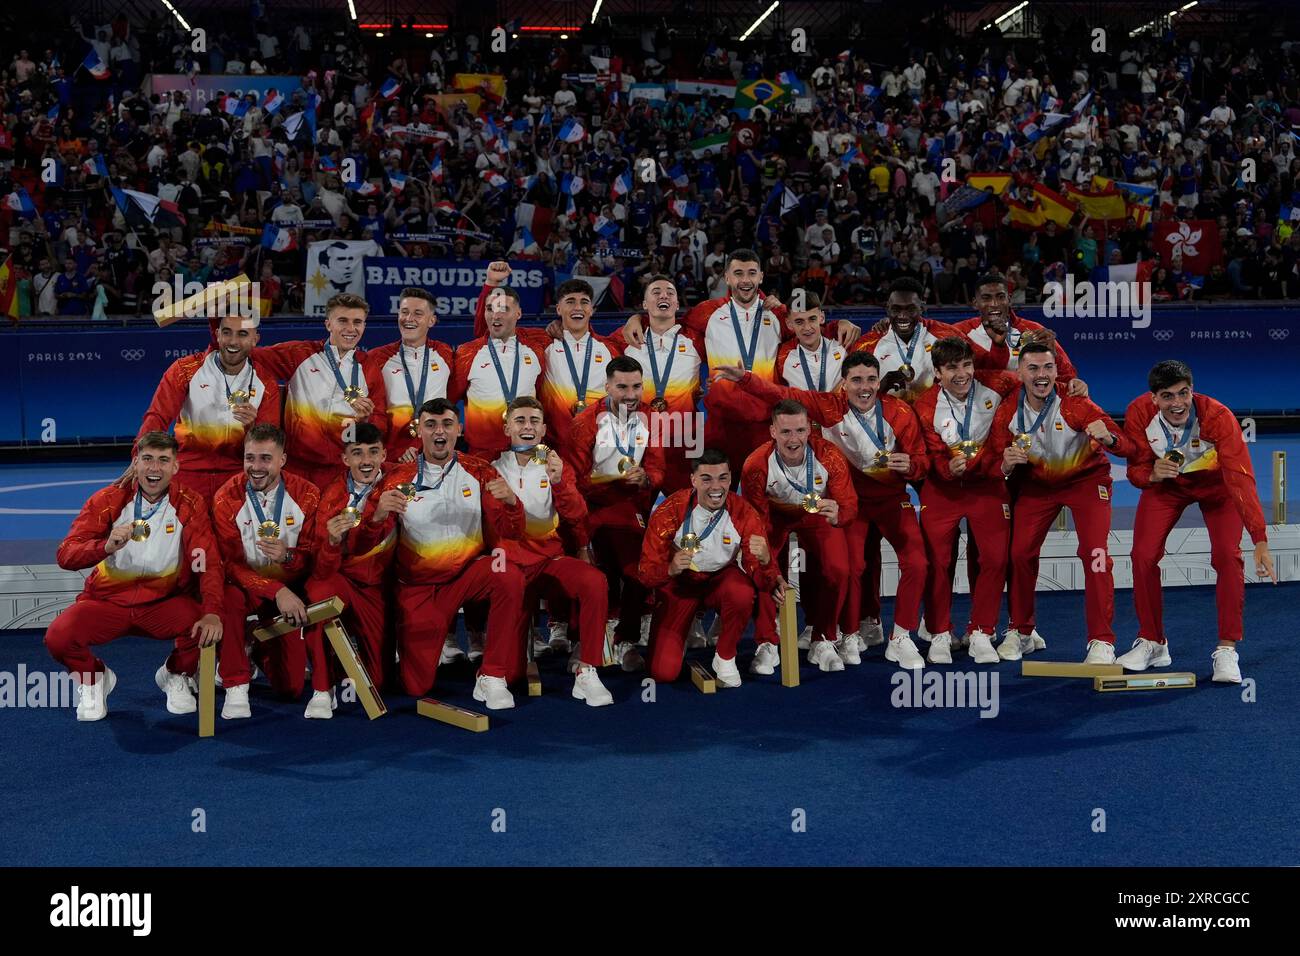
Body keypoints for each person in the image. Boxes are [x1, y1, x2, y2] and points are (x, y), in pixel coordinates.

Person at [717, 352, 927, 668]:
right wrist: (746, 379)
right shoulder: (825, 409)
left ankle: (893, 637)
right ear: (844, 384)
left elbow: (921, 462)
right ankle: (785, 639)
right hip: (801, 508)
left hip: (874, 499)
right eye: (856, 380)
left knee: (904, 563)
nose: (865, 387)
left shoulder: (899, 413)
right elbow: (783, 395)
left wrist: (911, 466)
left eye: (871, 379)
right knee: (777, 561)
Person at [618, 248, 860, 488]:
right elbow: (666, 325)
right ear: (727, 278)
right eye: (738, 273)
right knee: (715, 493)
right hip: (721, 426)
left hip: (763, 424)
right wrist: (637, 319)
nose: (745, 280)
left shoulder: (776, 313)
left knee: (766, 496)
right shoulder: (706, 312)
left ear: (761, 277)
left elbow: (807, 328)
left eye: (751, 273)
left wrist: (838, 324)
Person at [45, 432, 224, 722]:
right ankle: (93, 679)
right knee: (58, 637)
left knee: (206, 624)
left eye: (163, 460)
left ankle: (175, 674)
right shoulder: (107, 500)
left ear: (176, 467)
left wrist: (213, 611)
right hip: (107, 603)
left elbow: (209, 563)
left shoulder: (190, 504)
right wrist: (103, 546)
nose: (154, 468)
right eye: (148, 459)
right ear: (135, 463)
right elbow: (66, 555)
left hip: (163, 603)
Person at [1120, 360, 1277, 683]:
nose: (1177, 404)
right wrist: (1150, 474)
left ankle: (1227, 649)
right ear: (1153, 399)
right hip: (1168, 488)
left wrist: (1259, 538)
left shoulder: (1217, 417)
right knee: (1143, 555)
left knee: (1227, 556)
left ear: (1192, 389)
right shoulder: (1137, 414)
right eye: (1167, 396)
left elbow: (1241, 478)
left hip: (1218, 489)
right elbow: (1134, 468)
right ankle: (1153, 642)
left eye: (1183, 393)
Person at [365, 399, 528, 708]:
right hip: (419, 589)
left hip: (467, 575)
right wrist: (375, 517)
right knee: (416, 687)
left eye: (447, 424)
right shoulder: (401, 479)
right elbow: (367, 542)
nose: (439, 432)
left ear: (459, 429)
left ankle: (491, 675)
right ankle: (423, 645)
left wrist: (512, 504)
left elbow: (512, 532)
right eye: (430, 425)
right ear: (418, 430)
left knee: (508, 575)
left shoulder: (479, 471)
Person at [987, 340, 1136, 664]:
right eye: (1034, 368)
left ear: (1057, 370)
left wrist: (1109, 437)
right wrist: (1005, 462)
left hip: (1086, 482)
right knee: (1020, 553)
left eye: (1048, 368)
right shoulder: (1008, 411)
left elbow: (1127, 447)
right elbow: (994, 460)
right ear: (1020, 373)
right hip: (1039, 487)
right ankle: (1022, 631)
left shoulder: (1077, 402)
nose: (1042, 375)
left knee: (1095, 555)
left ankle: (1101, 640)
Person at [492, 397, 614, 706]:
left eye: (534, 421)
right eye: (520, 420)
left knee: (594, 581)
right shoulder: (491, 468)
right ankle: (499, 666)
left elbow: (576, 514)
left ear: (544, 429)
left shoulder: (557, 466)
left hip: (548, 562)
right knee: (511, 675)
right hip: (510, 568)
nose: (528, 426)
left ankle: (588, 670)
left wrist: (559, 482)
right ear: (507, 427)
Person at [913, 337, 1019, 665]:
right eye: (952, 368)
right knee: (937, 562)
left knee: (995, 559)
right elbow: (929, 454)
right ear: (937, 373)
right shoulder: (925, 405)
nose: (962, 374)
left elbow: (1035, 377)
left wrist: (1072, 381)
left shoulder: (996, 386)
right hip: (942, 490)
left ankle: (981, 632)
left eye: (966, 365)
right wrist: (947, 467)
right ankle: (940, 632)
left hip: (986, 484)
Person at [638, 449, 780, 686]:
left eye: (722, 478)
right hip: (681, 586)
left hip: (719, 580)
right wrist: (670, 569)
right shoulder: (670, 511)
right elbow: (646, 573)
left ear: (730, 478)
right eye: (707, 479)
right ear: (693, 480)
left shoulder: (744, 512)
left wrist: (766, 562)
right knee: (662, 673)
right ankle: (678, 635)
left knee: (742, 592)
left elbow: (762, 584)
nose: (716, 487)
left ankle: (725, 656)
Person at [211, 424, 321, 719]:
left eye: (265, 459)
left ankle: (253, 641)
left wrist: (288, 556)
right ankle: (236, 684)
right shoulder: (226, 498)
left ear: (282, 460)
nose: (255, 467)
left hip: (291, 592)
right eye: (250, 458)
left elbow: (312, 557)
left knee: (291, 689)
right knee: (228, 596)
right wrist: (276, 590)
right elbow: (231, 565)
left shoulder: (307, 495)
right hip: (248, 588)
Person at [740, 399, 858, 674]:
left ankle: (823, 639)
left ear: (809, 429)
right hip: (773, 517)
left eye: (800, 431)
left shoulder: (829, 455)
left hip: (816, 515)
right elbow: (756, 522)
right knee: (760, 563)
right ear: (772, 432)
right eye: (785, 432)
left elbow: (849, 504)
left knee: (839, 569)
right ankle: (767, 641)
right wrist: (771, 566)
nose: (794, 440)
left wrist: (839, 514)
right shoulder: (755, 465)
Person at [567, 356, 667, 668]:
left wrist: (647, 478)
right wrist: (606, 483)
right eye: (622, 387)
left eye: (636, 386)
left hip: (628, 506)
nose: (630, 394)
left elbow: (658, 465)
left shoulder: (652, 418)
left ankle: (626, 639)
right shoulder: (585, 422)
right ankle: (582, 642)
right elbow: (574, 477)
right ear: (607, 386)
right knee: (594, 573)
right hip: (592, 506)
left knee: (638, 570)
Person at [128, 313, 281, 498]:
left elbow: (270, 442)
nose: (233, 341)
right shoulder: (185, 370)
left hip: (237, 476)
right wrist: (139, 456)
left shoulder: (265, 382)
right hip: (188, 472)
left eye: (242, 334)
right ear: (217, 335)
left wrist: (253, 426)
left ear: (255, 339)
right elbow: (157, 417)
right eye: (227, 332)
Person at [302, 422, 396, 718]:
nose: (365, 461)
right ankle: (321, 688)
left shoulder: (398, 480)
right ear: (344, 459)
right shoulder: (331, 497)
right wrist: (331, 542)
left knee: (376, 681)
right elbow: (321, 569)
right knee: (320, 597)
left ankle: (340, 661)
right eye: (357, 453)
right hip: (341, 579)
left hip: (378, 588)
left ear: (384, 454)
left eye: (372, 452)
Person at [250, 292, 387, 492]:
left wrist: (365, 421)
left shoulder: (369, 368)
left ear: (365, 325)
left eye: (358, 322)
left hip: (341, 469)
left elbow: (380, 422)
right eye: (342, 321)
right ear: (328, 324)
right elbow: (250, 355)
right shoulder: (300, 355)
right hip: (297, 466)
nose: (351, 328)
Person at [607, 275, 706, 494]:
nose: (664, 295)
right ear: (644, 304)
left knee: (685, 506)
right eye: (656, 292)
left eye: (670, 293)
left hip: (684, 435)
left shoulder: (696, 338)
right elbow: (590, 341)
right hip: (639, 436)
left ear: (677, 304)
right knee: (636, 511)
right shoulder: (627, 337)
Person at [452, 284, 550, 459]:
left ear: (518, 313)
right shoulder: (467, 353)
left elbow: (540, 392)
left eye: (504, 309)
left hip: (527, 448)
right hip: (482, 453)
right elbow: (449, 398)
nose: (496, 315)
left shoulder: (536, 350)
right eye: (490, 309)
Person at [363, 287, 454, 465]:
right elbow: (374, 413)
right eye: (404, 312)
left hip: (436, 453)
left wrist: (490, 283)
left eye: (418, 313)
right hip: (392, 458)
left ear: (432, 320)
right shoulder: (376, 358)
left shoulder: (446, 354)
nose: (409, 319)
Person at [950, 273, 1087, 390]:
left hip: (1023, 410)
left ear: (1009, 300)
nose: (994, 304)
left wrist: (1073, 380)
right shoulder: (959, 333)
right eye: (986, 298)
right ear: (975, 303)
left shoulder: (1033, 330)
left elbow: (1067, 376)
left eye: (1000, 297)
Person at [775, 292, 847, 393]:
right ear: (789, 324)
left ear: (821, 317)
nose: (807, 328)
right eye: (799, 322)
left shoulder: (842, 346)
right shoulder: (781, 357)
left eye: (812, 319)